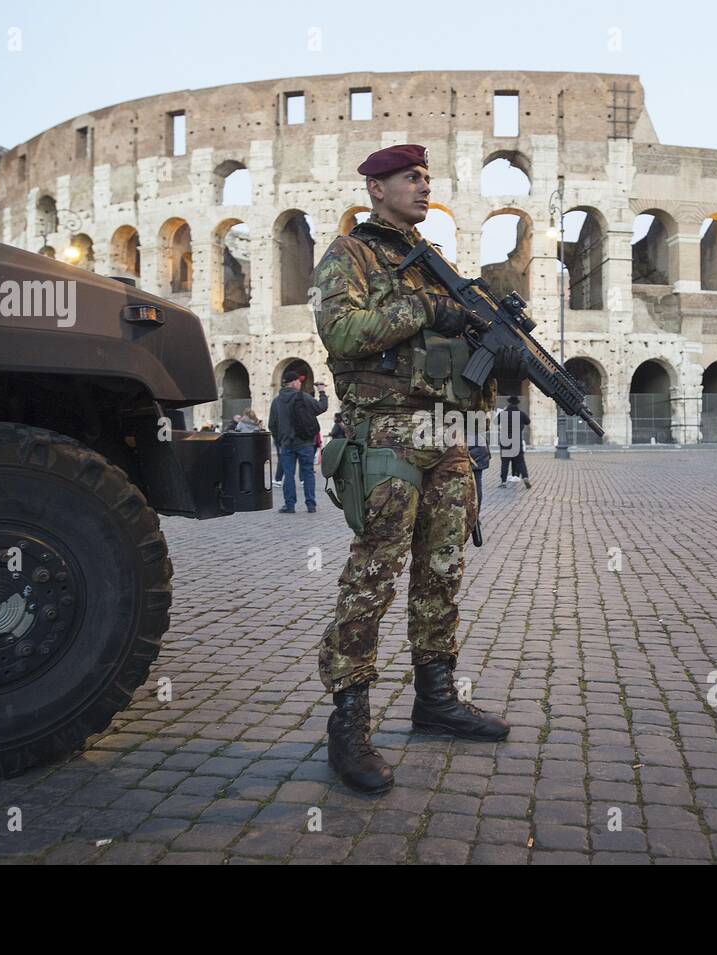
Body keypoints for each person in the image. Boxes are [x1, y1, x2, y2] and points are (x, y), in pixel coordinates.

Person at [312, 143, 526, 793]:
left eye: (427, 177)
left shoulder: (435, 263)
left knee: (443, 570)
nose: (423, 185)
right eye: (411, 177)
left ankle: (435, 699)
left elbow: (448, 350)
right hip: (386, 436)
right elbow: (342, 333)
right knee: (373, 573)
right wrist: (423, 309)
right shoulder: (350, 255)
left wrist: (488, 338)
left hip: (446, 436)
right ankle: (348, 719)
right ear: (376, 187)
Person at [268, 371, 328, 513]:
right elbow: (321, 407)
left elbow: (272, 424)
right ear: (294, 382)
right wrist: (322, 392)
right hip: (305, 442)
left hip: (287, 444)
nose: (300, 384)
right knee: (308, 473)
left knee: (288, 474)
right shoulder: (303, 397)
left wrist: (280, 439)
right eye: (299, 382)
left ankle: (289, 505)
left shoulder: (277, 401)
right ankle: (311, 504)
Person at [497, 395, 531, 488]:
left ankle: (503, 482)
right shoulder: (521, 414)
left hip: (505, 440)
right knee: (520, 461)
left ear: (509, 403)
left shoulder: (503, 413)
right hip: (516, 439)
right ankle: (525, 477)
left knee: (505, 462)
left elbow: (496, 422)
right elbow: (528, 421)